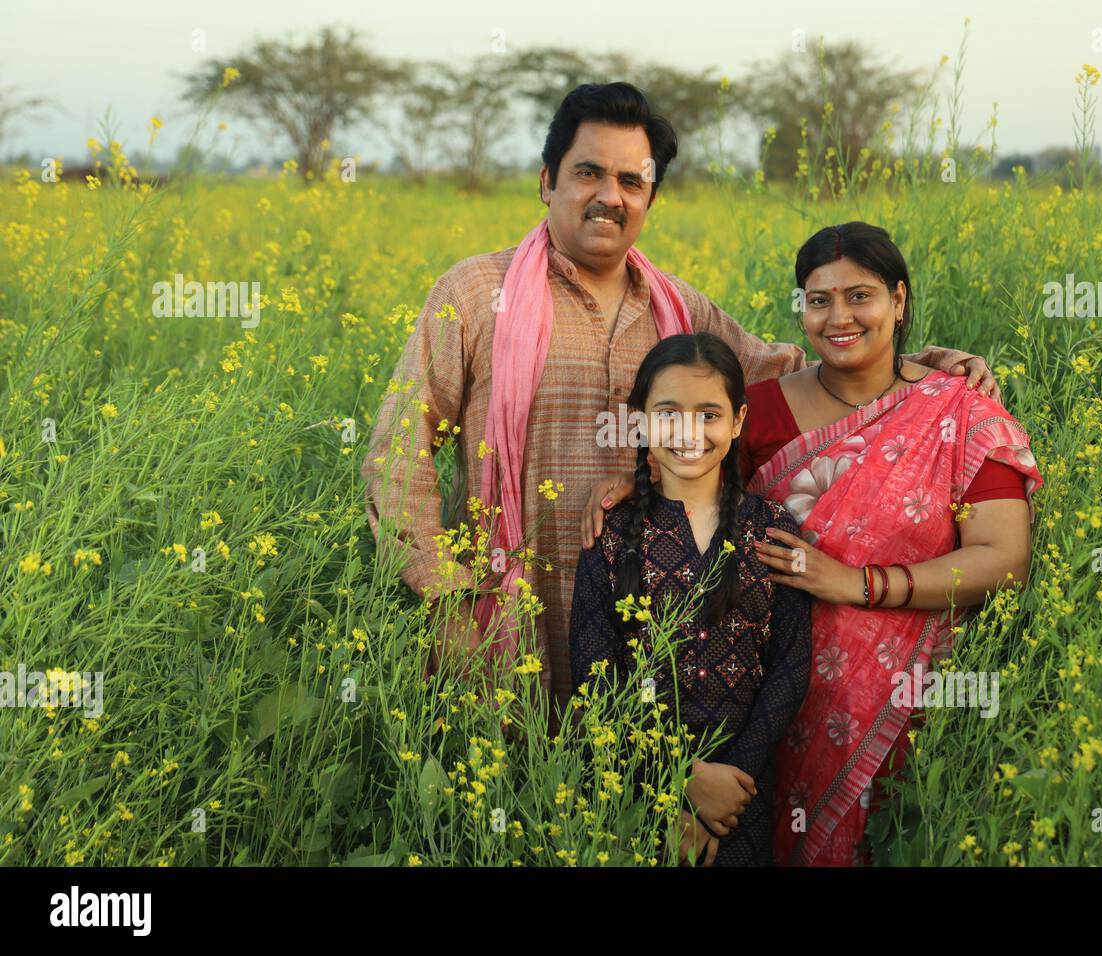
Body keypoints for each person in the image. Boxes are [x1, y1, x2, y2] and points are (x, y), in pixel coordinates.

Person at [362, 80, 1000, 715]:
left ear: (650, 198)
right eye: (588, 173)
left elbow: (796, 372)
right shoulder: (477, 295)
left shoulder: (680, 310)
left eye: (631, 181)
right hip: (500, 631)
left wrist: (913, 366)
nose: (609, 197)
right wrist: (444, 599)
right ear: (546, 181)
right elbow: (398, 450)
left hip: (648, 654)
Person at [586, 222, 1044, 867]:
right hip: (755, 708)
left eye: (861, 296)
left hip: (902, 705)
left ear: (900, 301)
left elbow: (1004, 560)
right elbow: (688, 486)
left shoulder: (961, 414)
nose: (839, 317)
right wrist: (624, 485)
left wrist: (857, 584)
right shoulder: (763, 409)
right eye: (818, 299)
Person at [569, 332, 810, 866]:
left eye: (709, 414)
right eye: (668, 413)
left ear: (739, 422)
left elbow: (789, 671)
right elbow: (595, 674)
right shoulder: (609, 534)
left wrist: (726, 788)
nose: (688, 432)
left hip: (740, 795)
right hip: (629, 781)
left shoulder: (773, 530)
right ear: (639, 421)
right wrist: (679, 778)